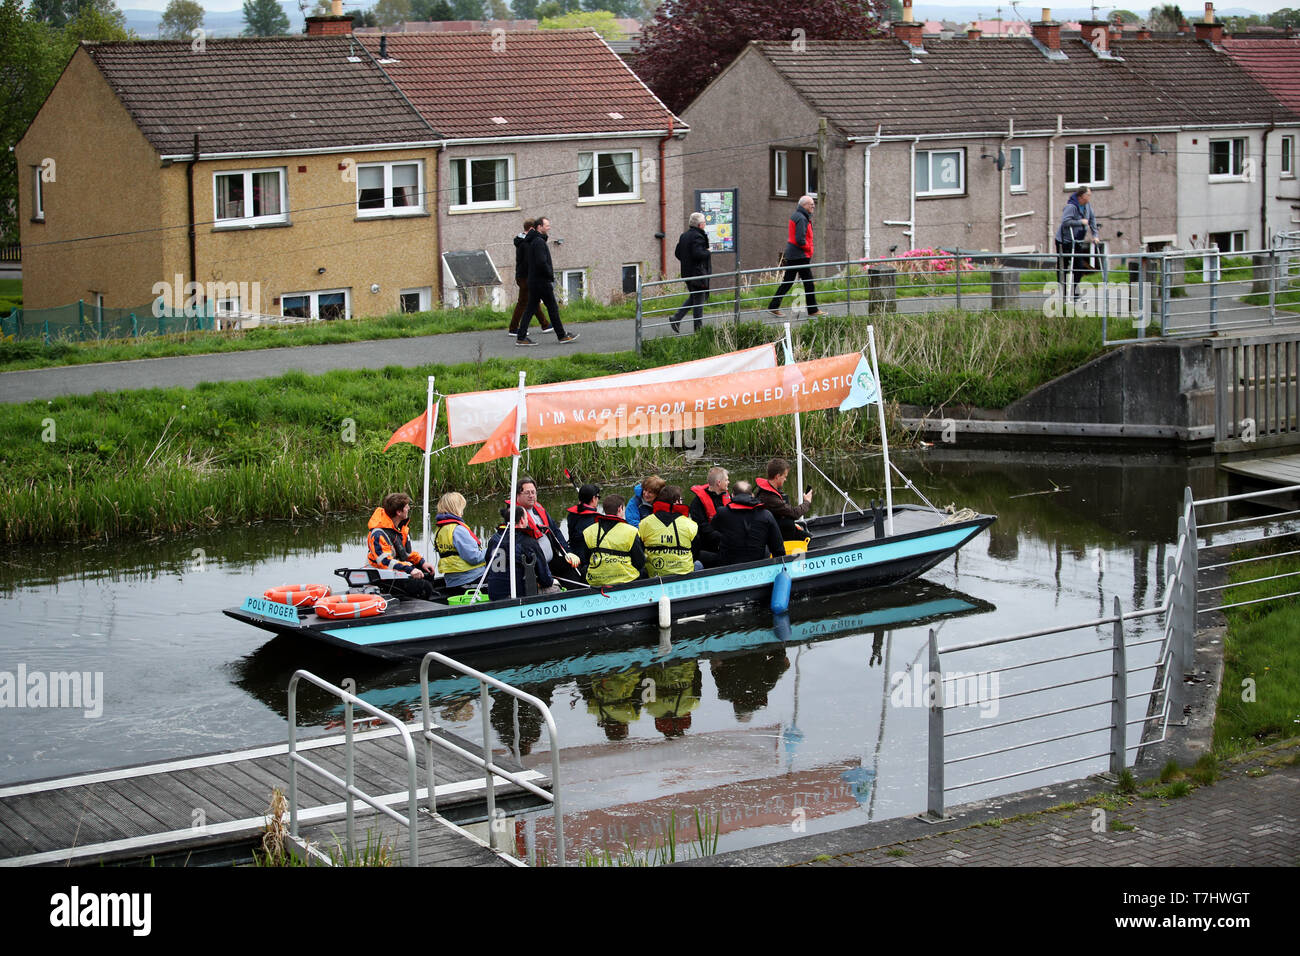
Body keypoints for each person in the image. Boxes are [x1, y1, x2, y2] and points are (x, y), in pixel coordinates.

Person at [516, 215, 580, 346]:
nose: (549, 227)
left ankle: (521, 337)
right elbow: (541, 262)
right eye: (547, 225)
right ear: (539, 227)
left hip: (534, 280)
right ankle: (562, 336)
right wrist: (549, 274)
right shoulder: (538, 242)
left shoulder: (534, 240)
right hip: (541, 281)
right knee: (552, 308)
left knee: (531, 308)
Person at [509, 476, 581, 582]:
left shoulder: (538, 509)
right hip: (534, 565)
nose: (531, 496)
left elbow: (555, 531)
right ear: (517, 495)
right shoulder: (513, 514)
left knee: (574, 568)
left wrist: (567, 552)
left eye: (533, 492)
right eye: (527, 493)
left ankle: (572, 594)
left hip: (551, 560)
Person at [366, 492, 437, 600]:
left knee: (428, 573)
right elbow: (385, 562)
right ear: (399, 512)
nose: (408, 508)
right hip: (382, 577)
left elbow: (406, 554)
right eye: (406, 506)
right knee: (424, 587)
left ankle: (426, 596)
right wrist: (409, 569)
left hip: (396, 572)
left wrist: (422, 562)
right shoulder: (378, 534)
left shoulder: (399, 528)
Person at [767, 195, 823, 318]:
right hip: (800, 256)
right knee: (808, 282)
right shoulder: (802, 218)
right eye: (811, 204)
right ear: (804, 205)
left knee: (788, 282)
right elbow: (800, 239)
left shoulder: (797, 215)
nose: (813, 206)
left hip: (794, 254)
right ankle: (813, 310)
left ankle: (773, 306)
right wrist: (809, 248)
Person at [484, 507, 558, 600]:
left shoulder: (494, 539)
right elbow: (545, 579)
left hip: (494, 594)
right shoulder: (527, 542)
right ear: (522, 520)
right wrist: (551, 581)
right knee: (555, 589)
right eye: (526, 518)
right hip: (517, 596)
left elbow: (487, 567)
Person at [711, 480, 785, 565]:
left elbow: (712, 531)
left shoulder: (722, 513)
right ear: (752, 495)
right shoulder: (766, 515)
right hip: (758, 564)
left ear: (732, 495)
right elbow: (778, 548)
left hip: (728, 565)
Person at [583, 494, 646, 586]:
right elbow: (640, 562)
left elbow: (586, 558)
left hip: (596, 581)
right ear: (620, 509)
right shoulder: (631, 531)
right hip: (626, 579)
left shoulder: (588, 531)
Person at [638, 485, 701, 577]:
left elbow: (640, 550)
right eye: (681, 500)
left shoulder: (645, 523)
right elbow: (695, 551)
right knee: (699, 564)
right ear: (677, 502)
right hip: (684, 572)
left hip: (655, 574)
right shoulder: (690, 524)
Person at [432, 492, 488, 594]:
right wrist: (492, 549)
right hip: (470, 579)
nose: (462, 511)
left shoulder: (440, 530)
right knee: (505, 579)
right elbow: (474, 558)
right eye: (462, 507)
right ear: (456, 508)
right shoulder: (458, 530)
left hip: (451, 582)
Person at [507, 218, 552, 336]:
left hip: (524, 276)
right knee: (523, 302)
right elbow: (529, 262)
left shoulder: (523, 240)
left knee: (533, 301)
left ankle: (545, 324)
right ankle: (513, 328)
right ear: (532, 228)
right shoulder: (526, 243)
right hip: (525, 276)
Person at [669, 212, 712, 333]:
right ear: (699, 225)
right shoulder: (698, 236)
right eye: (704, 223)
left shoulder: (684, 236)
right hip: (698, 274)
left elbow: (678, 253)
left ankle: (676, 318)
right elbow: (698, 254)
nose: (705, 225)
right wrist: (708, 252)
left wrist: (687, 262)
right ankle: (698, 331)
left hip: (687, 274)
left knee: (695, 297)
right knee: (698, 301)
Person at [1055, 187, 1099, 301]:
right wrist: (1080, 222)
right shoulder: (1071, 206)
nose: (1090, 197)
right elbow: (1065, 222)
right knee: (1063, 267)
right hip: (1065, 241)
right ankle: (1063, 294)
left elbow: (1092, 219)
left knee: (1078, 267)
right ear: (1081, 196)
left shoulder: (1087, 205)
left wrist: (1095, 235)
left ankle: (1074, 293)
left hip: (1078, 241)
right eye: (1088, 195)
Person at [754, 457, 813, 542]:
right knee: (807, 538)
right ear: (777, 476)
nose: (785, 479)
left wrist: (793, 524)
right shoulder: (769, 498)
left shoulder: (765, 490)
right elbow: (794, 513)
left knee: (805, 534)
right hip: (774, 536)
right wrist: (807, 502)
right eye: (784, 477)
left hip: (776, 528)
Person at [689, 466, 730, 566]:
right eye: (726, 480)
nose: (728, 482)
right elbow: (700, 525)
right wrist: (720, 537)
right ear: (719, 483)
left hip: (726, 541)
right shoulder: (698, 502)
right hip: (708, 544)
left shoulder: (727, 497)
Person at [565, 483, 601, 568]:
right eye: (598, 497)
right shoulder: (593, 518)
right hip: (586, 558)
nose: (598, 500)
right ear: (593, 499)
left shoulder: (572, 514)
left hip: (574, 551)